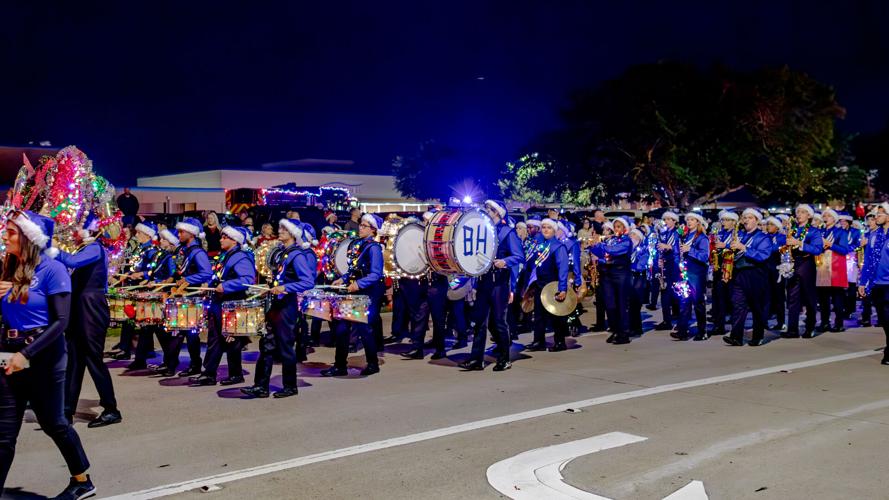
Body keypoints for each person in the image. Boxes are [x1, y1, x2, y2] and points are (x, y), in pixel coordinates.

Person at [0, 211, 94, 497]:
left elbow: (61, 322)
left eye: (11, 232)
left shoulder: (53, 269)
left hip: (45, 356)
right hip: (8, 354)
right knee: (3, 434)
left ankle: (82, 481)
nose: (5, 236)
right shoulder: (8, 267)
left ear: (29, 237)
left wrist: (26, 354)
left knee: (54, 424)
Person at [56, 213, 121, 428]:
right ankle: (67, 411)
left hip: (91, 307)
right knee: (75, 359)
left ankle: (111, 409)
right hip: (81, 306)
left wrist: (50, 246)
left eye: (80, 227)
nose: (75, 232)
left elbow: (72, 261)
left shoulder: (95, 248)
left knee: (93, 358)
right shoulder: (85, 247)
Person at [242, 219, 317, 398]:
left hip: (287, 307)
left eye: (284, 228)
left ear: (293, 233)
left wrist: (285, 288)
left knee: (285, 347)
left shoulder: (297, 255)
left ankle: (290, 386)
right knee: (266, 346)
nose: (280, 230)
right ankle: (260, 386)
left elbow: (308, 281)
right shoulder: (283, 253)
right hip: (275, 304)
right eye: (280, 227)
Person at [459, 200, 523, 371]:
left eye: (490, 209)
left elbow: (519, 256)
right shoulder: (482, 230)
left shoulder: (507, 232)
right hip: (483, 282)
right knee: (479, 322)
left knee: (499, 322)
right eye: (486, 208)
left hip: (499, 282)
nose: (486, 211)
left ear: (498, 213)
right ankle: (476, 359)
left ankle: (504, 359)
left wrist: (505, 261)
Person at [191, 226, 255, 386]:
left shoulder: (241, 257)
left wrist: (226, 286)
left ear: (234, 240)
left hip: (232, 303)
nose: (220, 239)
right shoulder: (226, 256)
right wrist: (208, 286)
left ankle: (236, 374)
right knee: (215, 338)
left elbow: (247, 278)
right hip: (219, 302)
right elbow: (218, 276)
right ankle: (209, 373)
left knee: (231, 339)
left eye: (224, 237)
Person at [322, 213, 385, 377]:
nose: (360, 228)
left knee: (364, 329)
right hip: (353, 291)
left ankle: (373, 364)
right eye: (361, 224)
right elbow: (353, 270)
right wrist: (342, 279)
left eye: (364, 226)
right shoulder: (359, 245)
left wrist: (358, 284)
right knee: (342, 329)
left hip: (367, 292)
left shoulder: (374, 248)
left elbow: (375, 274)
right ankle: (340, 365)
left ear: (373, 230)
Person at [164, 218, 213, 376]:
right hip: (181, 295)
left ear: (191, 234)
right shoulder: (183, 250)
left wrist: (188, 280)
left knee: (191, 334)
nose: (178, 234)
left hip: (192, 297)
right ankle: (171, 364)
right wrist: (170, 281)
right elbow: (179, 271)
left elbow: (206, 273)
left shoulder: (198, 252)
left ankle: (194, 364)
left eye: (181, 232)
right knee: (177, 331)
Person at [130, 227, 179, 372]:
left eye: (164, 239)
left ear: (170, 242)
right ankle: (140, 360)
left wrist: (159, 283)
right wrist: (148, 279)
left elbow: (171, 276)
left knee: (162, 331)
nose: (160, 241)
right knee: (147, 328)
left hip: (163, 296)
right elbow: (152, 271)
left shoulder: (170, 258)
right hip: (154, 294)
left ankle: (170, 362)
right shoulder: (160, 255)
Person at [723, 209, 774, 346]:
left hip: (756, 274)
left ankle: (758, 336)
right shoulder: (741, 235)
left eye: (749, 217)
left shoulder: (763, 237)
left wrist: (744, 248)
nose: (746, 220)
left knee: (757, 306)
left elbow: (763, 255)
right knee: (738, 305)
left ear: (757, 220)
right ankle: (736, 337)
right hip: (739, 274)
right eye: (744, 218)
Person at [111, 220, 160, 361]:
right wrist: (128, 274)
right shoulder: (140, 249)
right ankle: (127, 349)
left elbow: (154, 269)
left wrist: (142, 274)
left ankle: (142, 353)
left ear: (147, 235)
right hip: (135, 287)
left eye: (139, 232)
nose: (136, 234)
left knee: (144, 324)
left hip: (143, 288)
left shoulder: (152, 251)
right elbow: (134, 266)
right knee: (131, 320)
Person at [523, 218, 571, 350]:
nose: (545, 230)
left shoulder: (558, 246)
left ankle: (560, 342)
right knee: (539, 314)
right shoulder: (540, 245)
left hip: (553, 284)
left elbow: (563, 268)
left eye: (548, 228)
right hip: (540, 283)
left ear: (554, 230)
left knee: (556, 314)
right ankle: (539, 341)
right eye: (543, 227)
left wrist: (562, 288)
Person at [588, 217, 633, 345]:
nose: (616, 229)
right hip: (608, 274)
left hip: (621, 273)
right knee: (610, 305)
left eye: (619, 227)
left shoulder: (626, 241)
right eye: (615, 227)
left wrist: (601, 244)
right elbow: (602, 254)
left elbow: (615, 251)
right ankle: (616, 329)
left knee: (621, 304)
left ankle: (623, 333)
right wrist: (593, 246)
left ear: (624, 229)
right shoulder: (611, 240)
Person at [781, 204, 824, 339]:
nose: (799, 214)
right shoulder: (792, 230)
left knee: (809, 297)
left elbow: (818, 249)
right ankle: (792, 329)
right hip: (793, 263)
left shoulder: (814, 231)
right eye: (798, 212)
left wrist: (800, 244)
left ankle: (810, 327)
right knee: (792, 298)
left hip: (807, 264)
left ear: (809, 215)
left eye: (803, 212)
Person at [671, 213, 710, 341]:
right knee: (684, 301)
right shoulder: (685, 236)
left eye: (692, 219)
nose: (689, 222)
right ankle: (682, 331)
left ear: (698, 222)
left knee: (698, 302)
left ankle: (702, 331)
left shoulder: (702, 238)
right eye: (687, 219)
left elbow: (705, 257)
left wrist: (690, 250)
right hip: (684, 272)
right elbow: (678, 251)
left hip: (697, 274)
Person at [859, 203, 889, 363]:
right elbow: (868, 260)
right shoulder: (873, 235)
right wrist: (862, 282)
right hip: (877, 284)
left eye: (880, 214)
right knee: (884, 320)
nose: (876, 216)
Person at [815, 209, 850, 332]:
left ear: (834, 219)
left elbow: (845, 250)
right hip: (822, 266)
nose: (826, 217)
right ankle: (825, 322)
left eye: (829, 216)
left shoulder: (841, 232)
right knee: (823, 298)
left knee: (837, 298)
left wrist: (830, 244)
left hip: (836, 267)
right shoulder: (820, 231)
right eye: (824, 215)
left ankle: (839, 323)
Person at [709, 211, 738, 336]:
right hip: (718, 268)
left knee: (732, 299)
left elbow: (737, 250)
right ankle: (719, 325)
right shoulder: (719, 233)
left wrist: (725, 245)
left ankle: (735, 324)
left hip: (731, 270)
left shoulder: (736, 234)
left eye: (727, 220)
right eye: (723, 220)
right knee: (718, 298)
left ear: (733, 222)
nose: (723, 222)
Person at [654, 212, 681, 331]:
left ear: (674, 221)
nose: (666, 221)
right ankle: (667, 319)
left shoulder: (678, 233)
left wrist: (668, 247)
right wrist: (660, 256)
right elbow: (659, 247)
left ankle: (677, 318)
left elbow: (679, 249)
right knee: (664, 292)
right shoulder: (664, 233)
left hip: (675, 266)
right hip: (666, 264)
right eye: (665, 219)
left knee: (674, 293)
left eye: (669, 219)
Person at [764, 217, 786, 330]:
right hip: (766, 270)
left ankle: (781, 321)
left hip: (778, 271)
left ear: (777, 227)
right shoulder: (764, 237)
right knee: (766, 296)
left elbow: (783, 251)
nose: (769, 226)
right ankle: (764, 321)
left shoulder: (782, 238)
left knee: (779, 297)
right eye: (768, 224)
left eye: (772, 224)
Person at [628, 228, 649, 336]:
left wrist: (630, 267)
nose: (630, 236)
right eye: (630, 234)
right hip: (629, 277)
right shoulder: (628, 248)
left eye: (633, 235)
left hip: (638, 278)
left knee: (635, 304)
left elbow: (641, 265)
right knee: (629, 304)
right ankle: (631, 326)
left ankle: (636, 328)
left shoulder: (643, 249)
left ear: (638, 237)